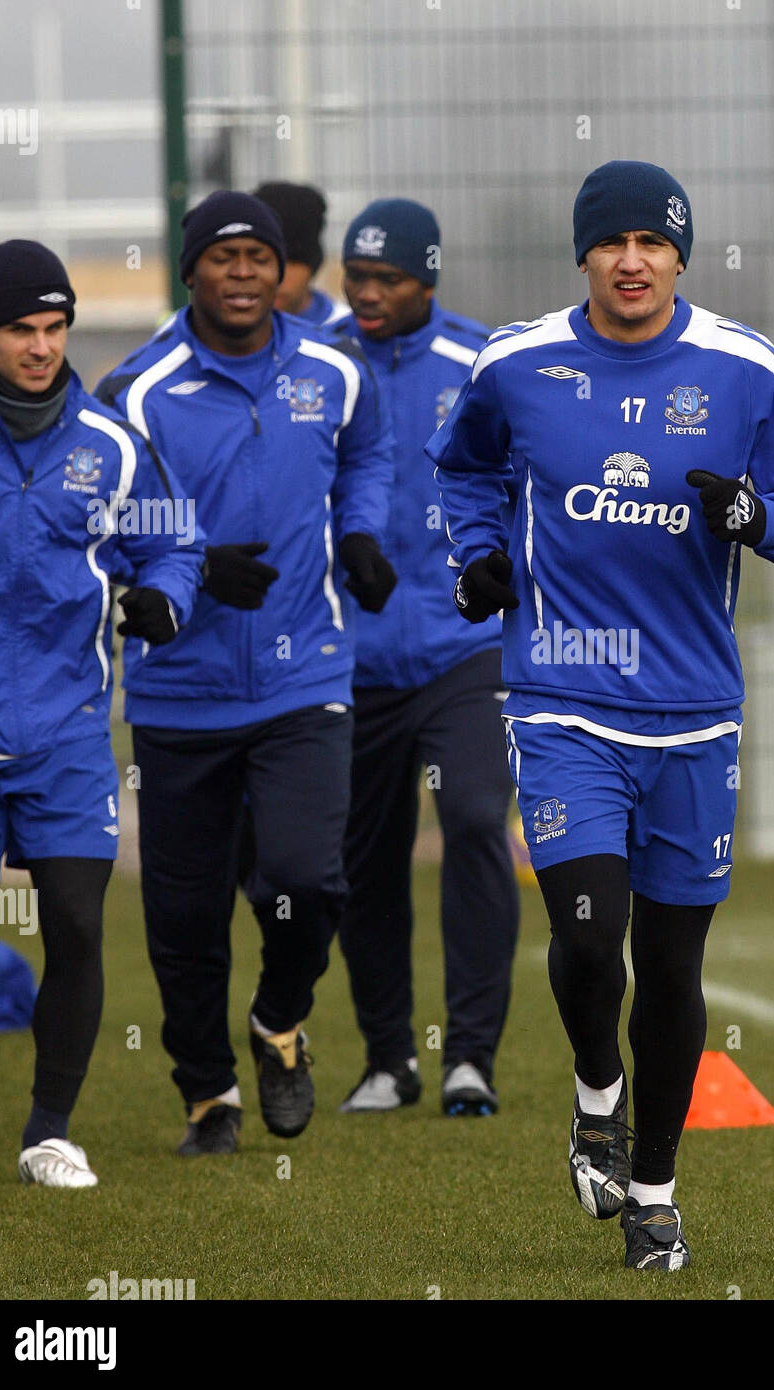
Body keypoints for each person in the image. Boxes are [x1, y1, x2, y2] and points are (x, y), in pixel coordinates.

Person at [428, 160, 774, 1268]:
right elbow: (461, 472)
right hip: (561, 698)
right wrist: (476, 560)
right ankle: (594, 1090)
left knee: (670, 968)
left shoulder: (741, 367)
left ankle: (655, 1192)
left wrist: (760, 514)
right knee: (584, 934)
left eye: (653, 243)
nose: (631, 260)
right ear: (583, 254)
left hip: (696, 714)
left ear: (679, 255)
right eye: (611, 242)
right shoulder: (517, 364)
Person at [95, 191, 396, 1157]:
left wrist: (359, 535)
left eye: (256, 257)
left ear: (280, 271)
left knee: (307, 879)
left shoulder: (335, 371)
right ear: (190, 273)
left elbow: (369, 457)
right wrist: (184, 563)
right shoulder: (138, 391)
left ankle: (278, 1021)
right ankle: (207, 1095)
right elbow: (104, 514)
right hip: (181, 691)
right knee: (184, 917)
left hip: (306, 676)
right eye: (220, 257)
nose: (240, 273)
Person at [0, 240, 203, 1185]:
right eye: (21, 328)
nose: (41, 346)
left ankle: (49, 1132)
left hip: (66, 731)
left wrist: (165, 602)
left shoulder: (109, 446)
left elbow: (174, 545)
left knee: (73, 918)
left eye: (55, 327)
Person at [331, 198, 518, 1118]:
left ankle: (470, 1057)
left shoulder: (482, 362)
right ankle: (388, 1058)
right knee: (365, 858)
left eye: (388, 280)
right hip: (349, 660)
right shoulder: (315, 363)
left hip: (463, 649)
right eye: (355, 277)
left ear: (428, 280)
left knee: (479, 822)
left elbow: (527, 480)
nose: (367, 295)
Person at [253, 181, 348, 328]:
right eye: (262, 260)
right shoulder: (214, 335)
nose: (277, 275)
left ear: (313, 264)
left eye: (292, 261)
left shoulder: (348, 332)